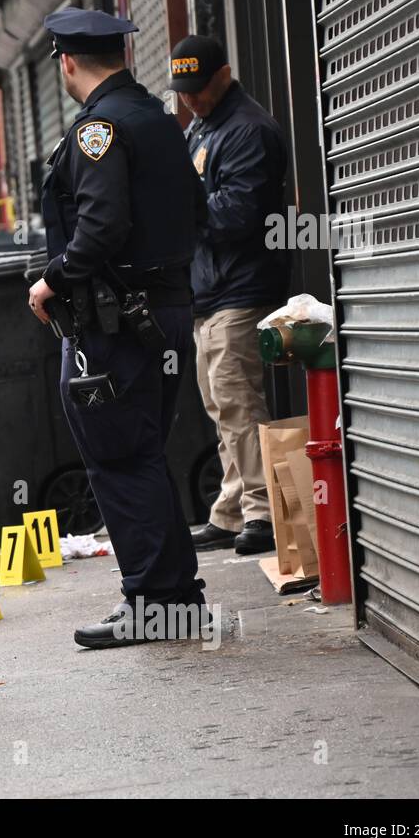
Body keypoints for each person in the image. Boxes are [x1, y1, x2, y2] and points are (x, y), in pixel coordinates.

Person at [26, 8, 208, 649]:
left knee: (117, 458)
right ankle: (176, 597)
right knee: (142, 454)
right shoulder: (159, 120)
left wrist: (54, 278)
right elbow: (199, 207)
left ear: (67, 61)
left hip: (117, 323)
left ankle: (156, 602)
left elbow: (100, 226)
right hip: (163, 311)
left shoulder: (99, 129)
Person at [170, 35, 289, 556]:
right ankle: (234, 507)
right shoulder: (205, 125)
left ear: (223, 74)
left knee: (238, 400)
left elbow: (237, 215)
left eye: (197, 89)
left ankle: (263, 512)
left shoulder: (247, 129)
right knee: (221, 403)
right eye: (183, 92)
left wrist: (181, 205)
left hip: (241, 288)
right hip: (211, 290)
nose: (190, 99)